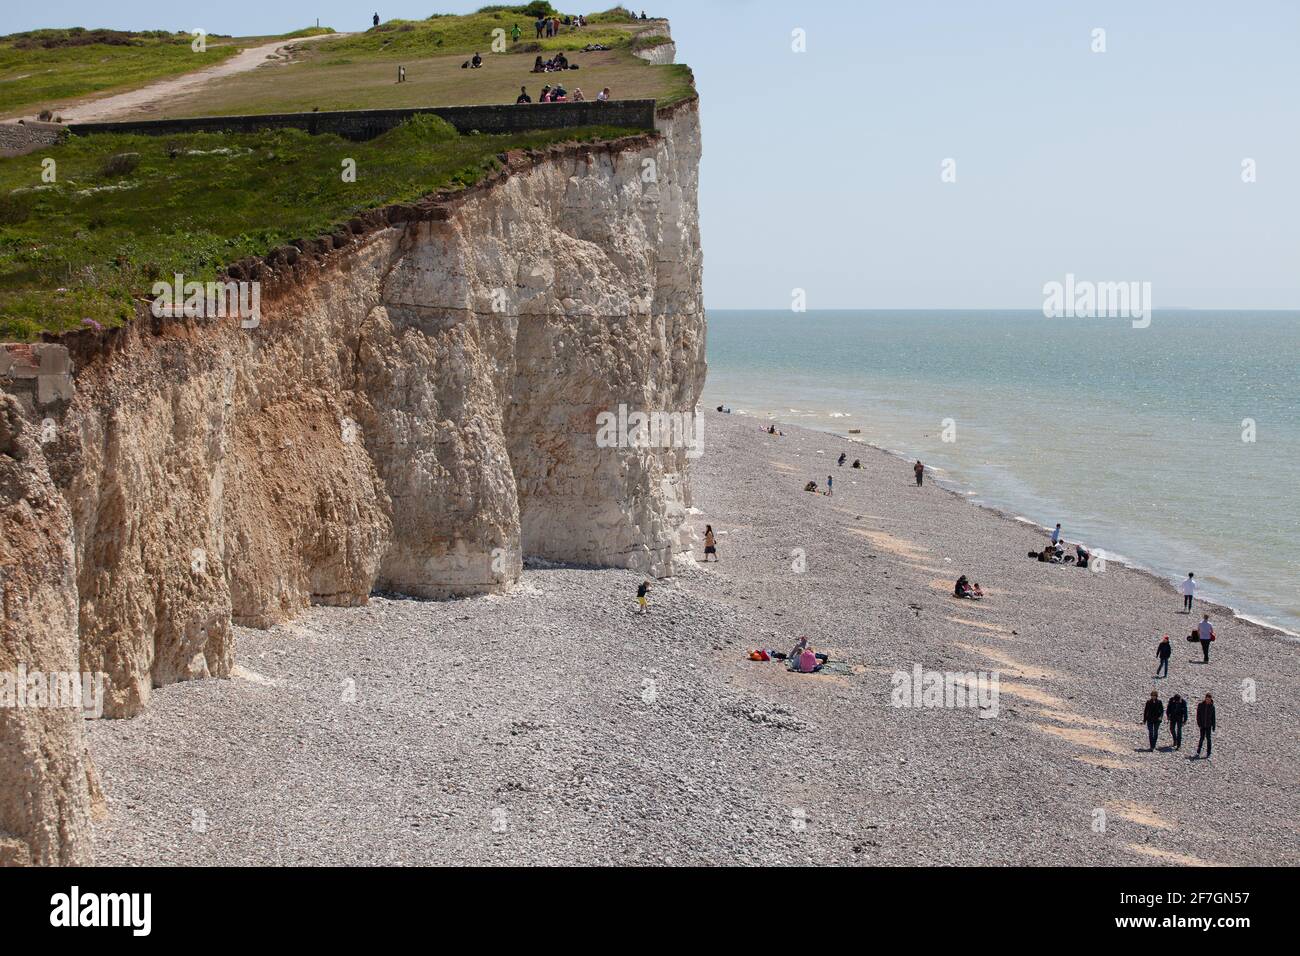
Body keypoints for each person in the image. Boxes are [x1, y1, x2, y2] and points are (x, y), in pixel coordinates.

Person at [1195, 693, 1215, 758]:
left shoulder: (1212, 706)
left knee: (1208, 739)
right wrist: (1199, 723)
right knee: (1201, 738)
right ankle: (1198, 751)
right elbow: (1198, 715)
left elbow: (1213, 717)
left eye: (1209, 699)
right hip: (1202, 725)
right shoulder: (1201, 705)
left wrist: (1213, 725)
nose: (1207, 700)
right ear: (1205, 698)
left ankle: (1209, 752)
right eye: (1206, 699)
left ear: (1211, 699)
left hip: (1208, 725)